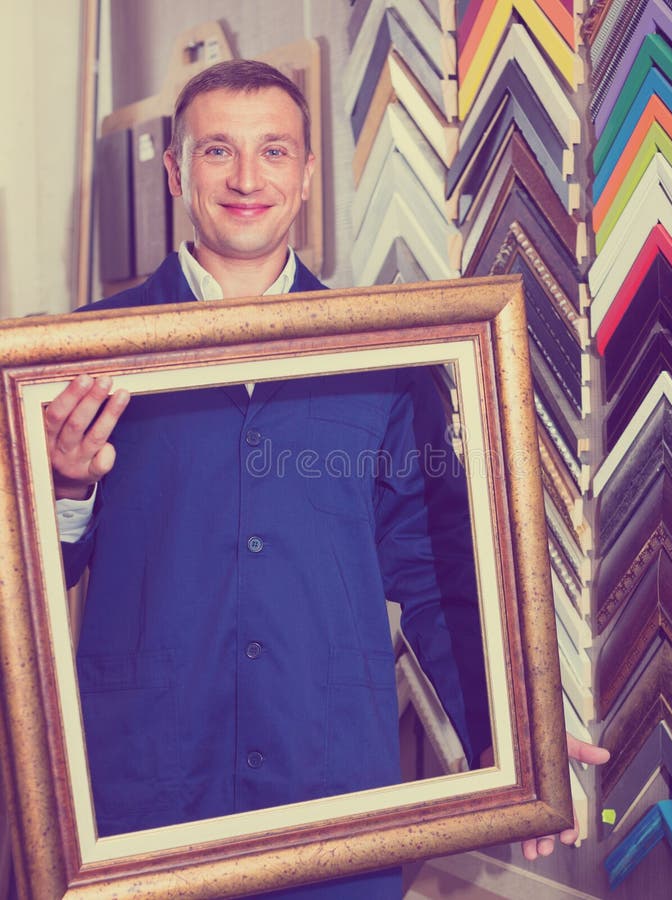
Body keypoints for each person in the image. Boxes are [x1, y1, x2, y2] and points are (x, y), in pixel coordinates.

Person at [47, 60, 607, 898]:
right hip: (147, 781)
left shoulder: (380, 355)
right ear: (174, 170)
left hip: (330, 777)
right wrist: (64, 490)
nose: (246, 179)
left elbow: (435, 562)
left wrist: (511, 723)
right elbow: (34, 582)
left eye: (274, 152)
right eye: (216, 153)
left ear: (306, 176)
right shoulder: (81, 355)